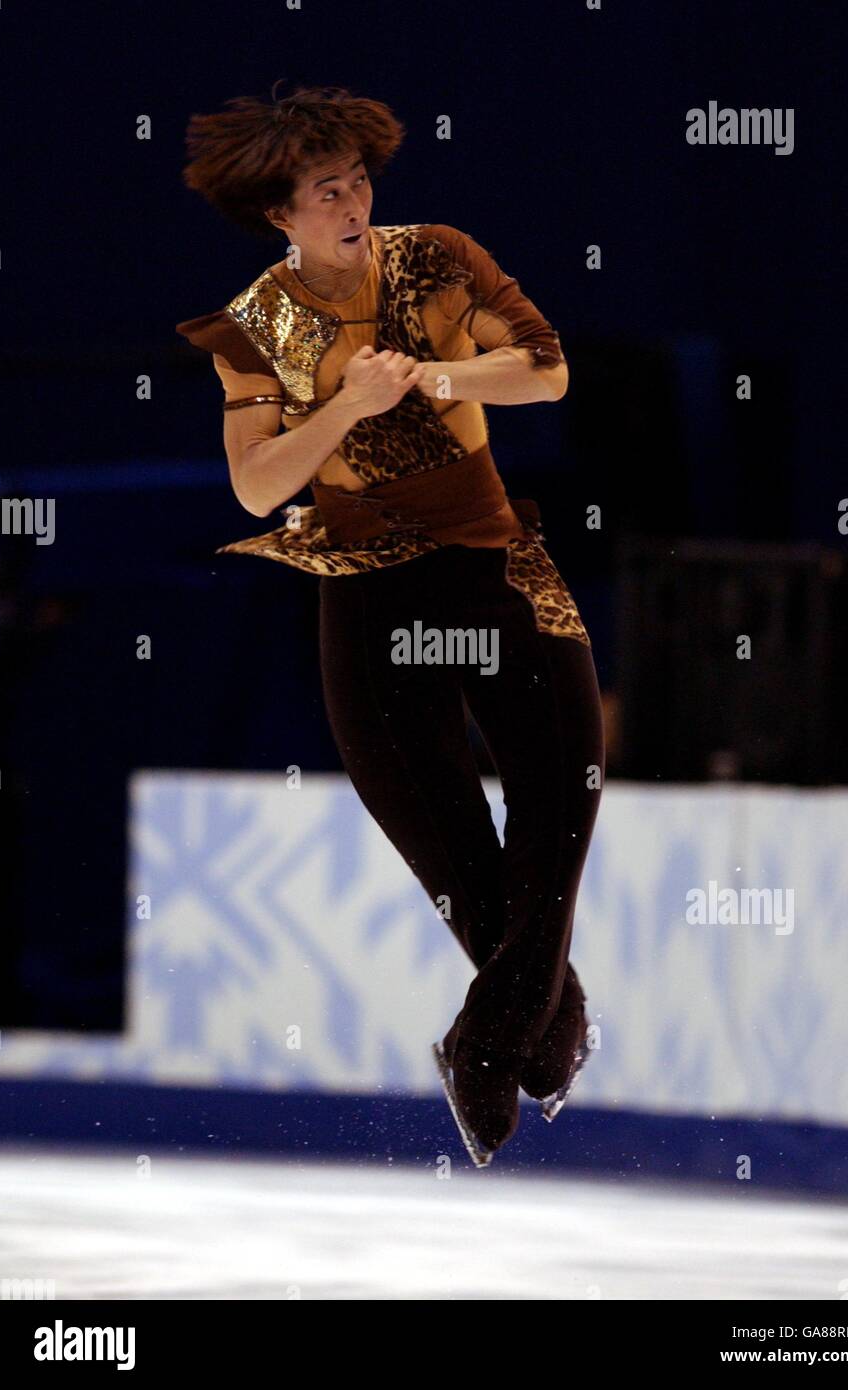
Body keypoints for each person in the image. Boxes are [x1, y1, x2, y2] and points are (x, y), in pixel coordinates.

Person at [175, 82, 605, 1165]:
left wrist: (436, 372)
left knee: (562, 808)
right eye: (328, 191)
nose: (355, 200)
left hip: (492, 562)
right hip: (367, 589)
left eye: (361, 179)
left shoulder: (437, 258)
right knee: (458, 859)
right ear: (282, 212)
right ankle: (541, 1031)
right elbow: (255, 486)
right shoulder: (255, 327)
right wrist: (348, 408)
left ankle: (479, 1046)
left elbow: (546, 371)